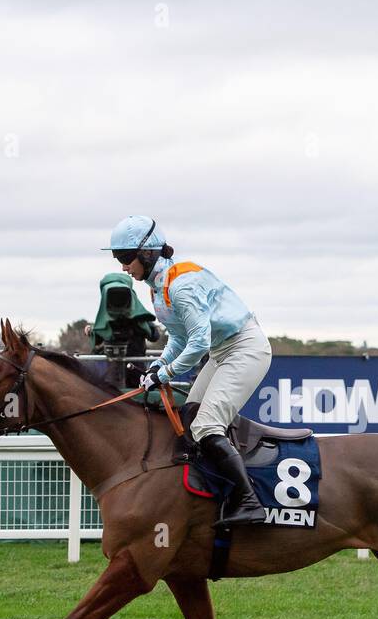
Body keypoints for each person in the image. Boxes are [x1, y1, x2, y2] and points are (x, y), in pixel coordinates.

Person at [103, 215, 272, 526]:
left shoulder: (180, 285)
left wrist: (165, 374)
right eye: (119, 258)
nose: (123, 267)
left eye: (126, 258)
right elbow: (178, 337)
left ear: (148, 253)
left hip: (245, 349)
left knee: (206, 426)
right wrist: (158, 364)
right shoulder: (158, 285)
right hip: (222, 351)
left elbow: (198, 342)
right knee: (190, 417)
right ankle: (208, 497)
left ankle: (249, 502)